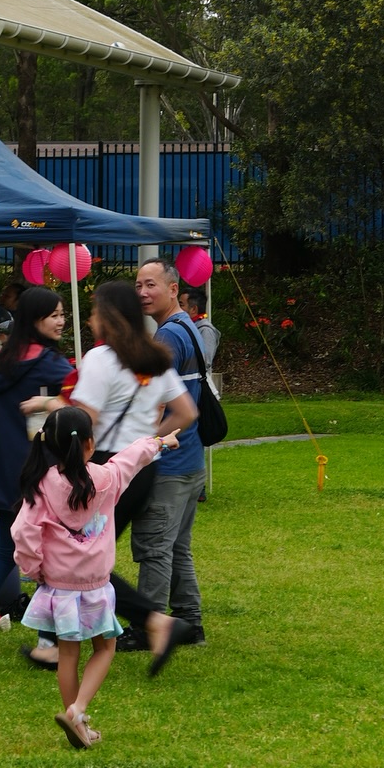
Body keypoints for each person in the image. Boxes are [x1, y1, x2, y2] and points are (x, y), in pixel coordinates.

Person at [12, 405, 178, 748]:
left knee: (68, 654)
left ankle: (76, 720)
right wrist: (161, 442)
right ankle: (78, 712)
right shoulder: (106, 479)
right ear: (90, 443)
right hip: (96, 585)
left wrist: (34, 569)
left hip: (59, 585)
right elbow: (132, 457)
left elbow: (23, 531)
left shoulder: (41, 486)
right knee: (105, 647)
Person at [71, 281, 199, 670]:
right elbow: (186, 414)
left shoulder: (99, 360)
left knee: (79, 562)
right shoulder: (154, 358)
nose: (90, 318)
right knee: (84, 558)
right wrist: (147, 443)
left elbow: (83, 423)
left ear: (107, 316)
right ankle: (63, 638)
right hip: (140, 471)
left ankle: (154, 621)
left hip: (104, 470)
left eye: (93, 311)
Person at [0, 285, 74, 657]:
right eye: (54, 314)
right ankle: (46, 639)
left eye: (61, 314)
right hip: (40, 476)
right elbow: (83, 398)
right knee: (51, 555)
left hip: (4, 475)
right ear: (36, 320)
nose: (61, 321)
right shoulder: (49, 363)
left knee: (5, 551)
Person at [130, 257, 211, 646]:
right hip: (191, 460)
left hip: (172, 461)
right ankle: (190, 624)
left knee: (154, 547)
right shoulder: (188, 328)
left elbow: (157, 405)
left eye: (151, 285)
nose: (143, 293)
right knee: (177, 546)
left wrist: (143, 444)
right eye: (138, 285)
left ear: (174, 289)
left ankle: (150, 629)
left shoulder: (167, 337)